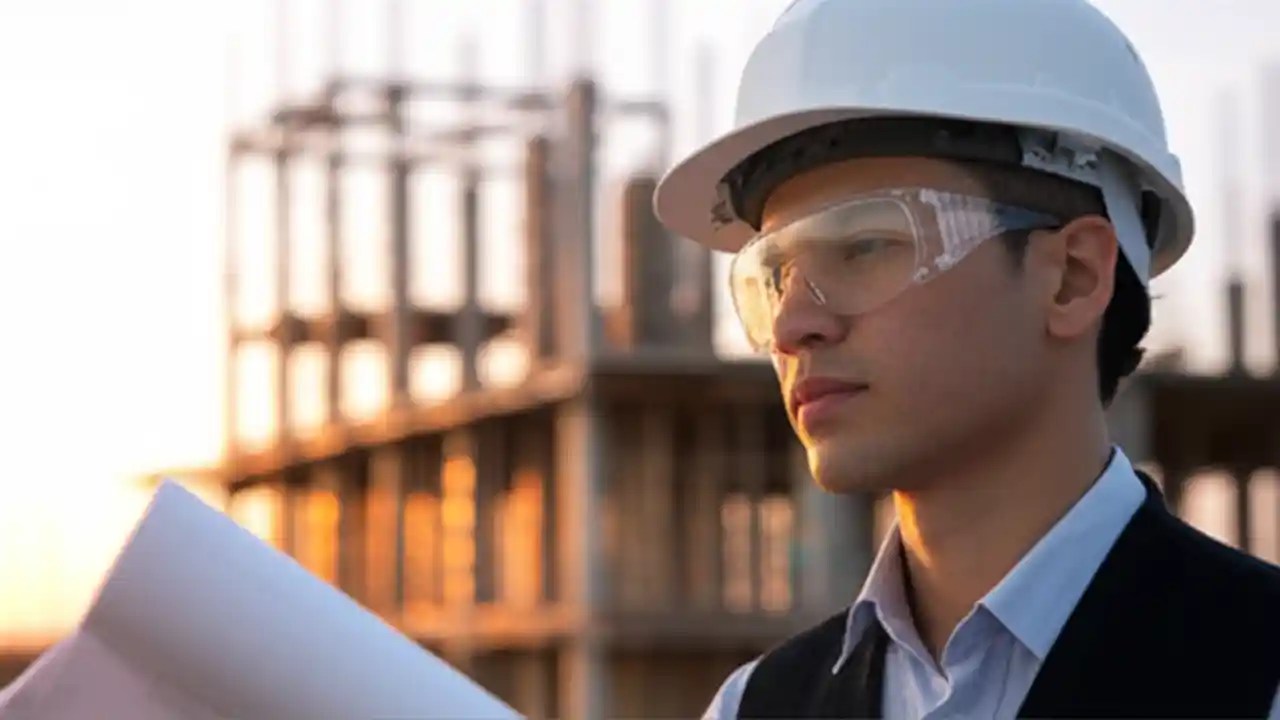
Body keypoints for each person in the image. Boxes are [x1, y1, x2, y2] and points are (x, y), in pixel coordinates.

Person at [652, 0, 1280, 717]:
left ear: (1073, 276)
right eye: (772, 277)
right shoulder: (755, 707)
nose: (793, 325)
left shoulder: (1259, 679)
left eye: (864, 246)